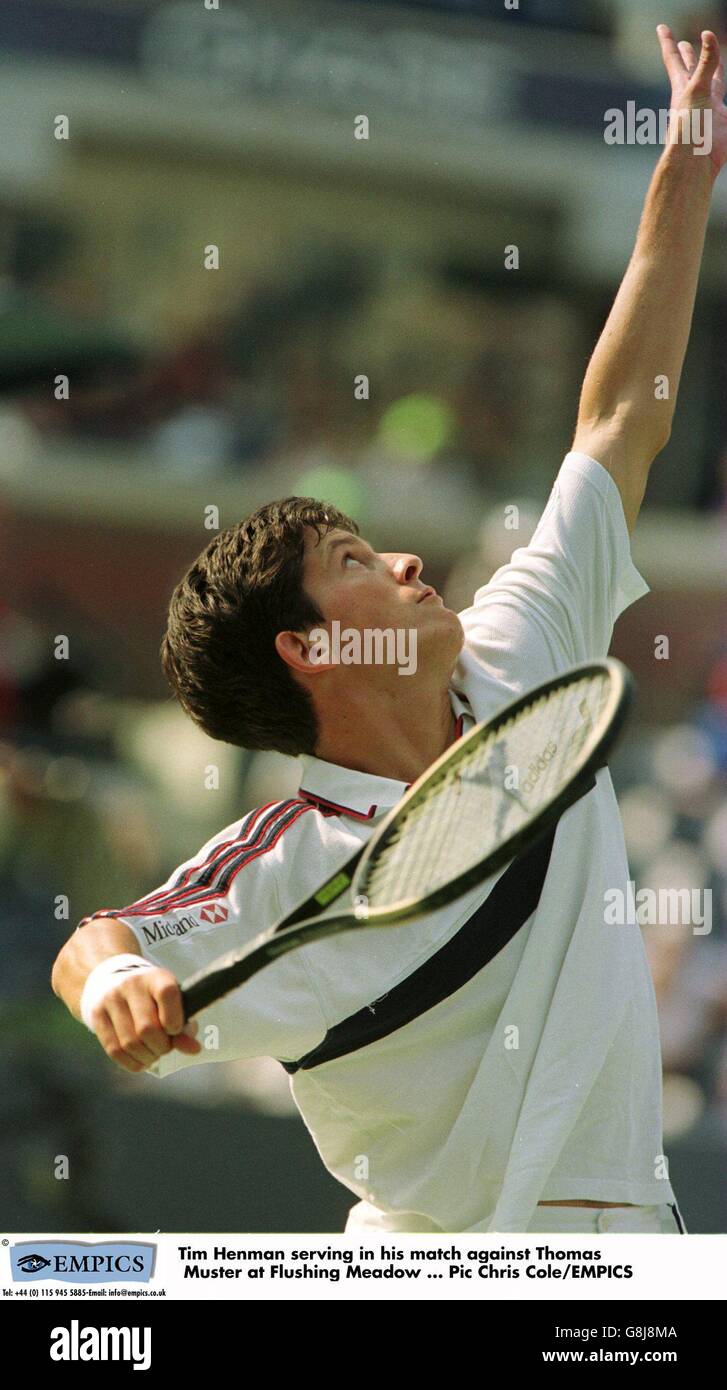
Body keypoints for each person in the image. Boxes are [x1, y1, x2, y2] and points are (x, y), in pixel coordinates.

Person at [51, 25, 726, 1233]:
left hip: (632, 1268)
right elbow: (106, 936)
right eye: (358, 562)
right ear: (310, 650)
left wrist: (682, 177)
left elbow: (621, 416)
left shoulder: (526, 637)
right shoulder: (286, 862)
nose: (411, 561)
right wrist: (118, 979)